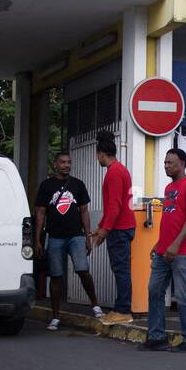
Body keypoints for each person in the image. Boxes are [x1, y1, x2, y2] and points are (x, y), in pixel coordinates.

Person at [140, 148, 186, 352]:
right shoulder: (169, 187)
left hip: (182, 251)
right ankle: (156, 337)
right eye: (165, 163)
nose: (166, 166)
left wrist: (175, 244)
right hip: (163, 251)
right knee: (154, 290)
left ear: (182, 163)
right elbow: (170, 219)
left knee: (184, 295)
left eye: (170, 163)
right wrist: (159, 243)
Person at [33, 152, 101, 328]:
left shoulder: (78, 184)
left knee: (83, 270)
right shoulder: (46, 185)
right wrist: (38, 240)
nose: (66, 165)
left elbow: (84, 211)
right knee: (56, 276)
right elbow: (40, 213)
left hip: (76, 235)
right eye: (62, 162)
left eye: (69, 163)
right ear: (55, 164)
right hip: (55, 236)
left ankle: (95, 305)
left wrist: (87, 236)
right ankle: (55, 316)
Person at [88, 132, 135, 324]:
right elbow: (112, 206)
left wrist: (105, 231)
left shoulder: (114, 172)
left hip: (120, 229)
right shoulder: (118, 170)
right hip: (120, 227)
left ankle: (123, 310)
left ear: (101, 153)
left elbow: (115, 206)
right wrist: (101, 227)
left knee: (121, 270)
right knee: (120, 269)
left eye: (97, 154)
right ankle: (120, 308)